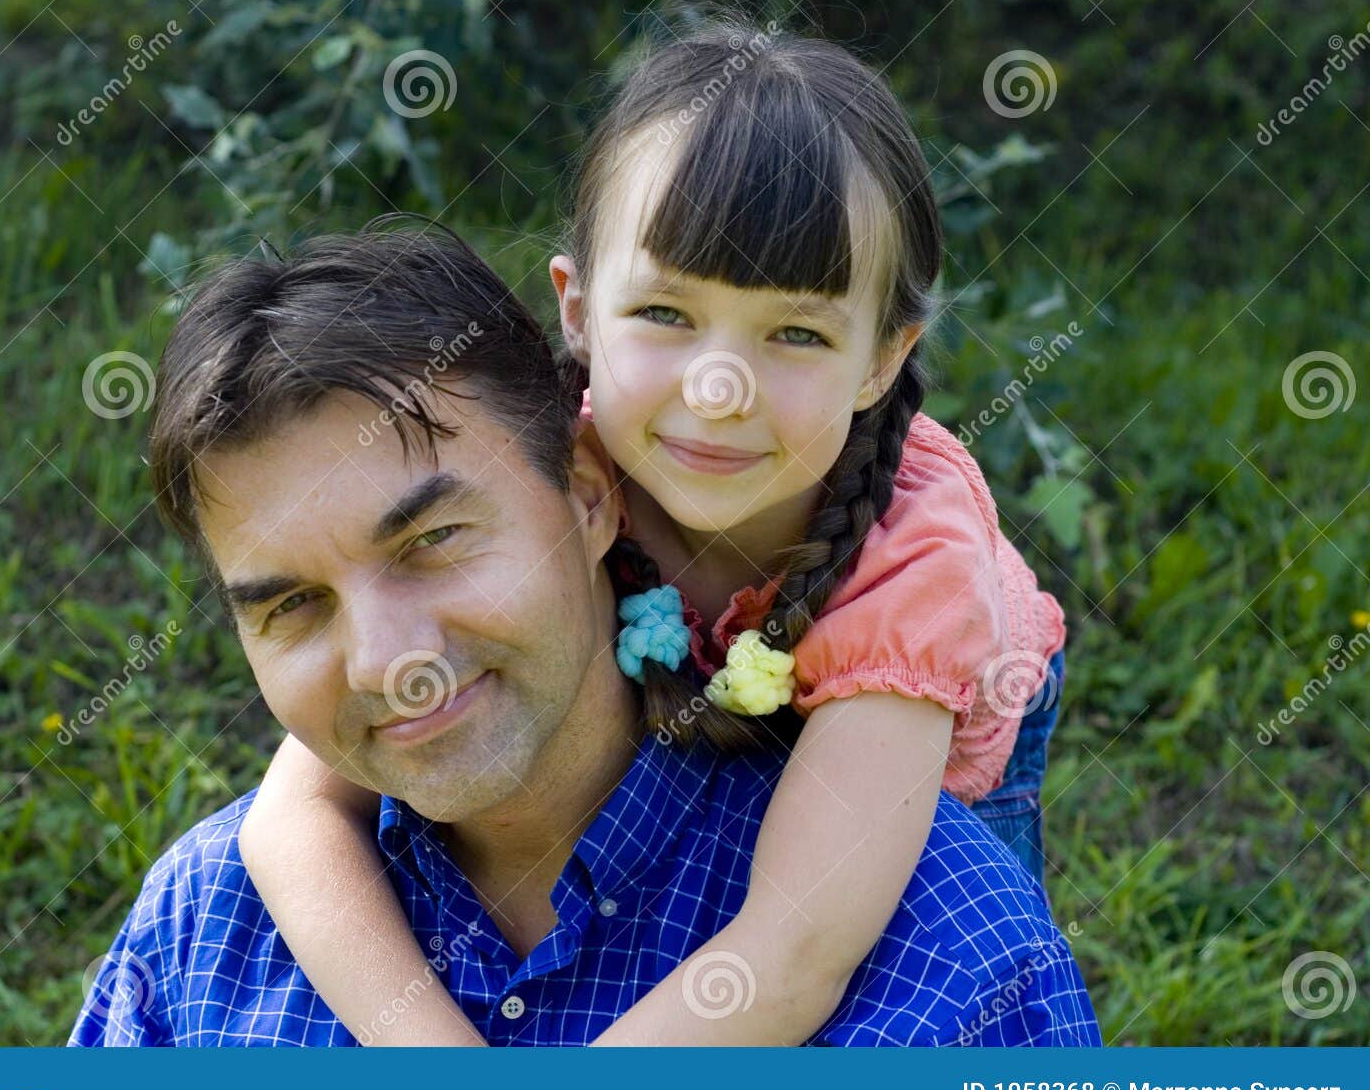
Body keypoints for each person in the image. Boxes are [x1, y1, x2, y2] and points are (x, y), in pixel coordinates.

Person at [236, 16, 1068, 1047]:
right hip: (691, 689)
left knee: (927, 959)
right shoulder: (548, 470)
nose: (716, 391)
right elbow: (289, 819)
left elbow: (791, 949)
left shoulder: (913, 568)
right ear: (575, 307)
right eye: (666, 315)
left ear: (882, 358)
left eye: (796, 332)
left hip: (936, 719)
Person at [69, 219, 1100, 1046]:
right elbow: (286, 812)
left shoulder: (948, 972)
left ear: (590, 491)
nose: (393, 663)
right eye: (291, 603)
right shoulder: (201, 936)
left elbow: (794, 953)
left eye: (432, 540)